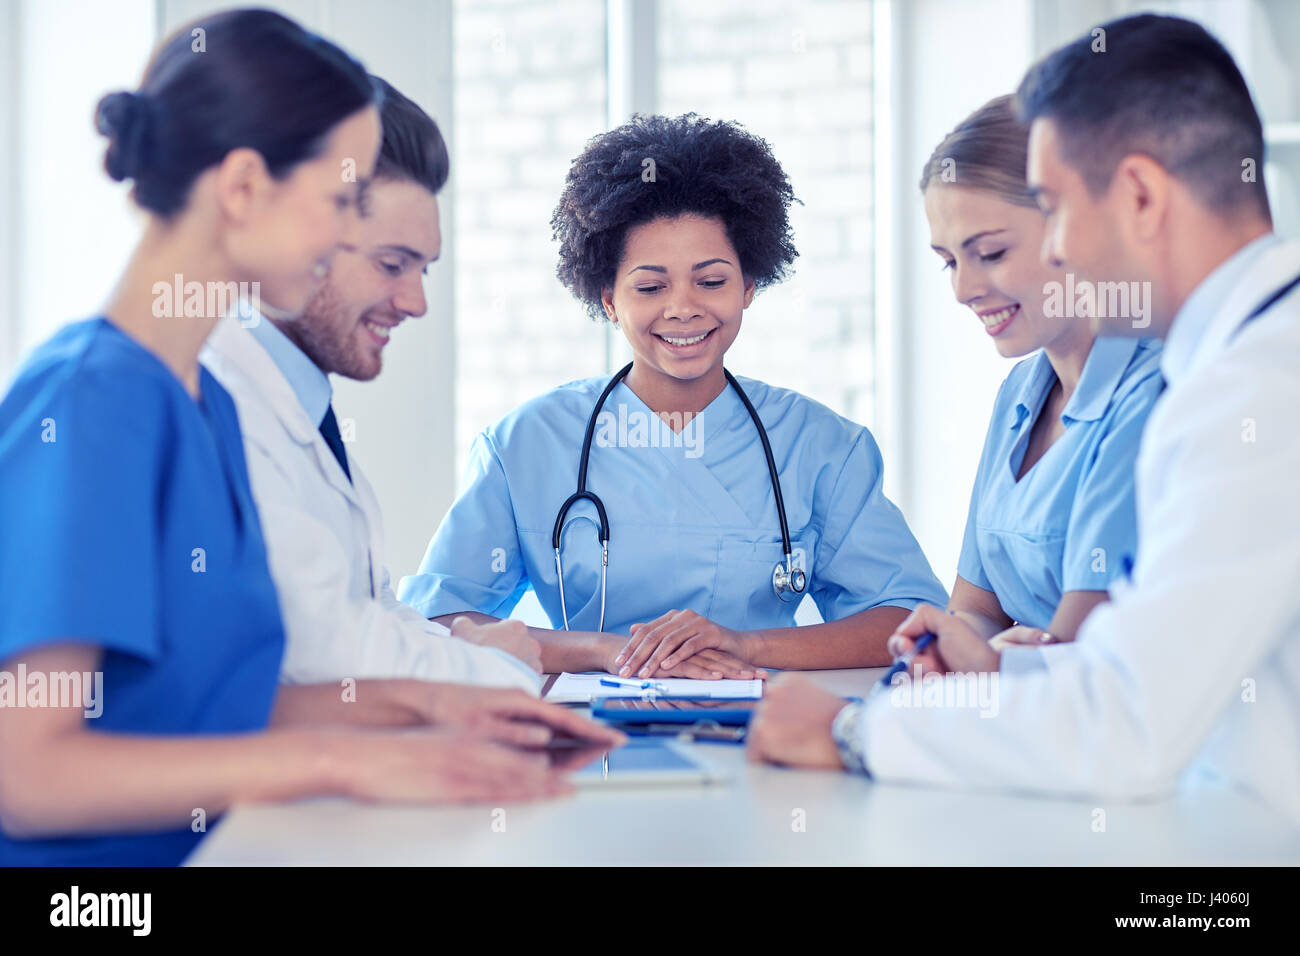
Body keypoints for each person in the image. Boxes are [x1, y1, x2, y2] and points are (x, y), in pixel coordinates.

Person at [0, 9, 618, 867]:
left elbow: (216, 708)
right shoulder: (94, 398)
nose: (341, 235)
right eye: (336, 200)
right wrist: (344, 756)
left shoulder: (203, 402)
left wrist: (433, 709)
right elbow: (26, 777)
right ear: (245, 187)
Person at [748, 13, 1300, 824]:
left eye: (1054, 210)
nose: (1061, 251)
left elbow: (1126, 728)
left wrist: (858, 732)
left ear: (1142, 196)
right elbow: (1141, 668)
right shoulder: (1233, 366)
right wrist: (1006, 675)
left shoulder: (1259, 388)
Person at [399, 113, 947, 678]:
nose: (683, 308)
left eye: (711, 281)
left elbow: (909, 618)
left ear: (749, 287)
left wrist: (747, 646)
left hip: (769, 737)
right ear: (608, 298)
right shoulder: (526, 445)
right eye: (650, 286)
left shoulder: (822, 445)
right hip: (585, 744)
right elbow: (437, 619)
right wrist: (604, 651)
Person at [202, 77, 542, 692]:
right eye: (392, 264)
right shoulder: (213, 401)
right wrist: (494, 665)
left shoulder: (303, 404)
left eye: (424, 268)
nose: (416, 303)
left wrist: (466, 644)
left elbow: (368, 616)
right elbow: (319, 651)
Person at [920, 94, 1163, 649]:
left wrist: (997, 665)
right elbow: (976, 607)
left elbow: (1081, 654)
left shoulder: (1153, 391)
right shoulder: (1021, 393)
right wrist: (947, 646)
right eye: (950, 261)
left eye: (991, 252)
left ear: (1072, 226)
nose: (962, 290)